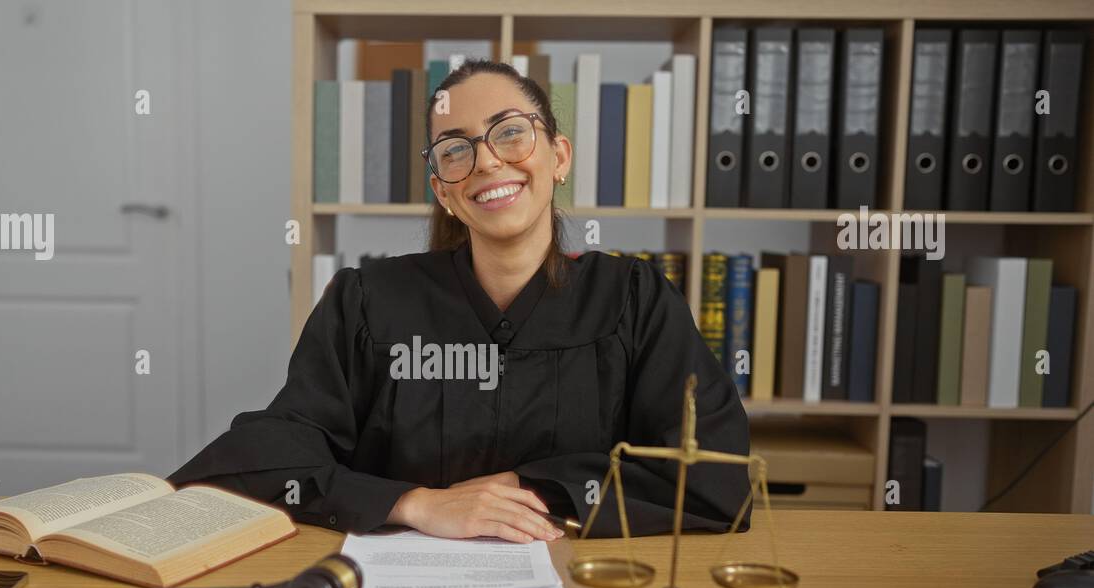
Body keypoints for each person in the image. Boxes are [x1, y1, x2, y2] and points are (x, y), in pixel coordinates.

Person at [168, 59, 751, 542]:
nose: (488, 161)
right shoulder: (367, 302)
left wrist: (525, 489)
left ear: (559, 157)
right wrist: (415, 504)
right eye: (455, 149)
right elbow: (270, 455)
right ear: (443, 191)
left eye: (510, 132)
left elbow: (712, 478)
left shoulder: (634, 300)